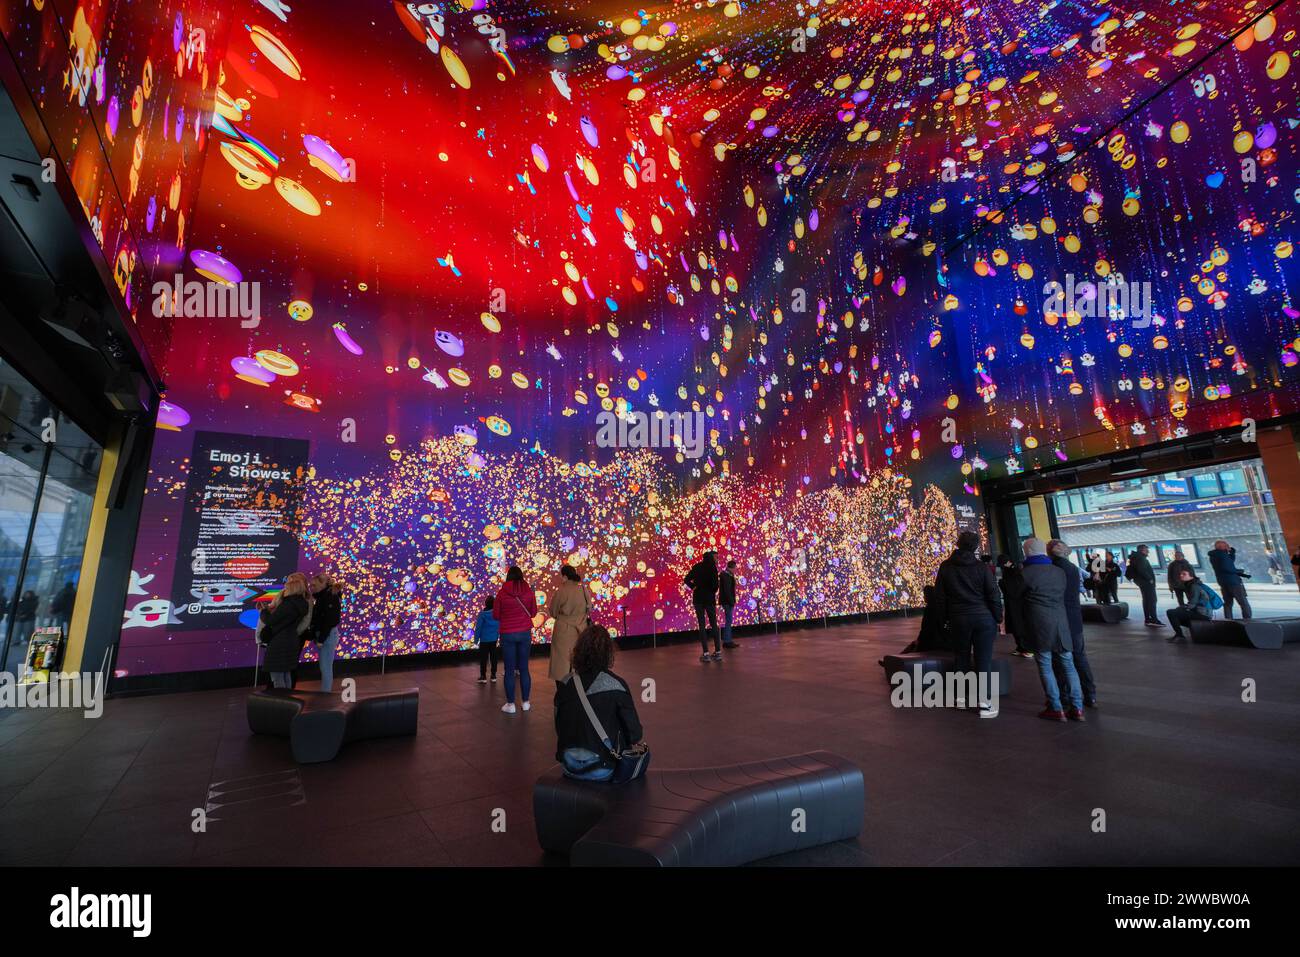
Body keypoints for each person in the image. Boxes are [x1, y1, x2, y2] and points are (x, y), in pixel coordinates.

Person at [553, 625, 646, 781]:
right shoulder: (616, 685)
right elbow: (635, 734)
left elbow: (558, 725)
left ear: (578, 651)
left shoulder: (565, 683)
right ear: (609, 653)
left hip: (569, 765)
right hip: (603, 768)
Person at [932, 530, 1002, 718]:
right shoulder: (981, 568)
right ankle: (984, 702)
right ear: (976, 546)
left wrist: (944, 620)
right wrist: (998, 617)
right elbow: (993, 594)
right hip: (983, 618)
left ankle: (961, 699)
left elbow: (939, 597)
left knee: (961, 658)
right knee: (983, 660)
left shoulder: (946, 567)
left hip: (958, 618)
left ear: (957, 544)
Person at [1020, 538, 1084, 722]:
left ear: (1028, 551)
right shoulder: (1059, 572)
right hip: (1061, 623)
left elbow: (1019, 596)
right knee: (1069, 666)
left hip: (1040, 624)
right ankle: (1077, 707)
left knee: (1045, 666)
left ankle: (1056, 707)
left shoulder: (1026, 573)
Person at [1049, 540, 1097, 707]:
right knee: (1079, 657)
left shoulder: (1051, 569)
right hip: (1074, 617)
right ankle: (1090, 694)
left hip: (1057, 618)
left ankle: (1065, 696)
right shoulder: (1073, 568)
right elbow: (1089, 582)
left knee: (1059, 658)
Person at [493, 565, 537, 714]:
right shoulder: (529, 592)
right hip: (524, 633)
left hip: (507, 634)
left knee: (509, 670)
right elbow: (533, 613)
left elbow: (496, 615)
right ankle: (525, 702)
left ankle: (510, 704)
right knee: (524, 668)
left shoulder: (501, 593)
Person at [260, 575, 311, 689]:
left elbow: (270, 620)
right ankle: (288, 701)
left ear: (292, 588)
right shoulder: (302, 603)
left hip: (279, 643)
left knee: (277, 677)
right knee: (286, 674)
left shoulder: (288, 604)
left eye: (287, 586)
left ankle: (282, 702)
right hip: (291, 640)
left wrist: (263, 610)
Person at [548, 565, 591, 681]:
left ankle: (564, 690)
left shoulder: (561, 591)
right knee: (579, 659)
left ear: (565, 576)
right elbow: (589, 608)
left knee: (561, 663)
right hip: (581, 629)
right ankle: (579, 686)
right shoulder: (583, 589)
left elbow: (553, 611)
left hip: (563, 630)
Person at [684, 551, 722, 663]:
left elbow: (686, 579)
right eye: (716, 557)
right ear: (711, 557)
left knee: (701, 625)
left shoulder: (697, 567)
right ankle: (718, 652)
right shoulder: (713, 568)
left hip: (698, 599)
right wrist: (711, 592)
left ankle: (706, 653)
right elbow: (716, 586)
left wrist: (694, 587)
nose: (717, 559)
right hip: (709, 599)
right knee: (714, 624)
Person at [309, 573, 342, 692]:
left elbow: (331, 620)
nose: (312, 588)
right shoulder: (323, 597)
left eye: (314, 585)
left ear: (323, 584)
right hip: (325, 635)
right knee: (325, 666)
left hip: (327, 636)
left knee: (326, 667)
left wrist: (321, 639)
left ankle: (325, 694)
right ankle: (325, 692)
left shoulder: (329, 597)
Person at [995, 555, 1031, 657]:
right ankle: (1021, 647)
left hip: (1016, 604)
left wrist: (1002, 583)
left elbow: (1014, 589)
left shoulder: (1015, 571)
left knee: (1018, 626)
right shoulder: (1014, 570)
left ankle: (1025, 648)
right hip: (1013, 603)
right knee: (1016, 626)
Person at [1166, 569, 1214, 641]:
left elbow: (1192, 604)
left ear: (1191, 576)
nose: (1181, 575)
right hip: (1201, 612)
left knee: (1171, 612)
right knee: (1177, 613)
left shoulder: (1194, 586)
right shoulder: (1191, 584)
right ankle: (1182, 634)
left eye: (1184, 574)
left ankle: (1180, 635)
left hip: (1203, 614)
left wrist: (1182, 607)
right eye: (1180, 574)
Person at [1209, 540, 1252, 620]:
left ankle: (1228, 619)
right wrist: (1239, 571)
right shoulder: (1223, 555)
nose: (1228, 546)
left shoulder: (1214, 556)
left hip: (1223, 582)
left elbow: (1229, 562)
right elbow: (1228, 568)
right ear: (1222, 547)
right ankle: (1247, 619)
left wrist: (1231, 553)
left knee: (1228, 603)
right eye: (1226, 545)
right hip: (1233, 582)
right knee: (1243, 602)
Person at [1125, 544, 1160, 626]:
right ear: (1142, 550)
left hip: (1141, 582)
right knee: (1152, 600)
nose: (1148, 551)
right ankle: (1154, 619)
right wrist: (1150, 579)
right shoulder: (1141, 558)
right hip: (1146, 583)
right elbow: (1142, 570)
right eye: (1146, 549)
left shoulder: (1135, 557)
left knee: (1146, 600)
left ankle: (1148, 619)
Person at [473, 596, 499, 684]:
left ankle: (483, 676)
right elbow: (500, 626)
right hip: (494, 639)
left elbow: (478, 628)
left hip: (484, 640)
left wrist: (476, 641)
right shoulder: (497, 614)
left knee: (483, 658)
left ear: (485, 603)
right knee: (493, 657)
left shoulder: (482, 614)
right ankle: (493, 675)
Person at [719, 560, 739, 649]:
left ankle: (728, 640)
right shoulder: (726, 575)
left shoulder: (727, 575)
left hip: (727, 601)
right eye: (735, 568)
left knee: (729, 621)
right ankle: (727, 641)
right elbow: (727, 590)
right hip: (727, 602)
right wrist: (731, 601)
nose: (736, 570)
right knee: (728, 621)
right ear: (732, 567)